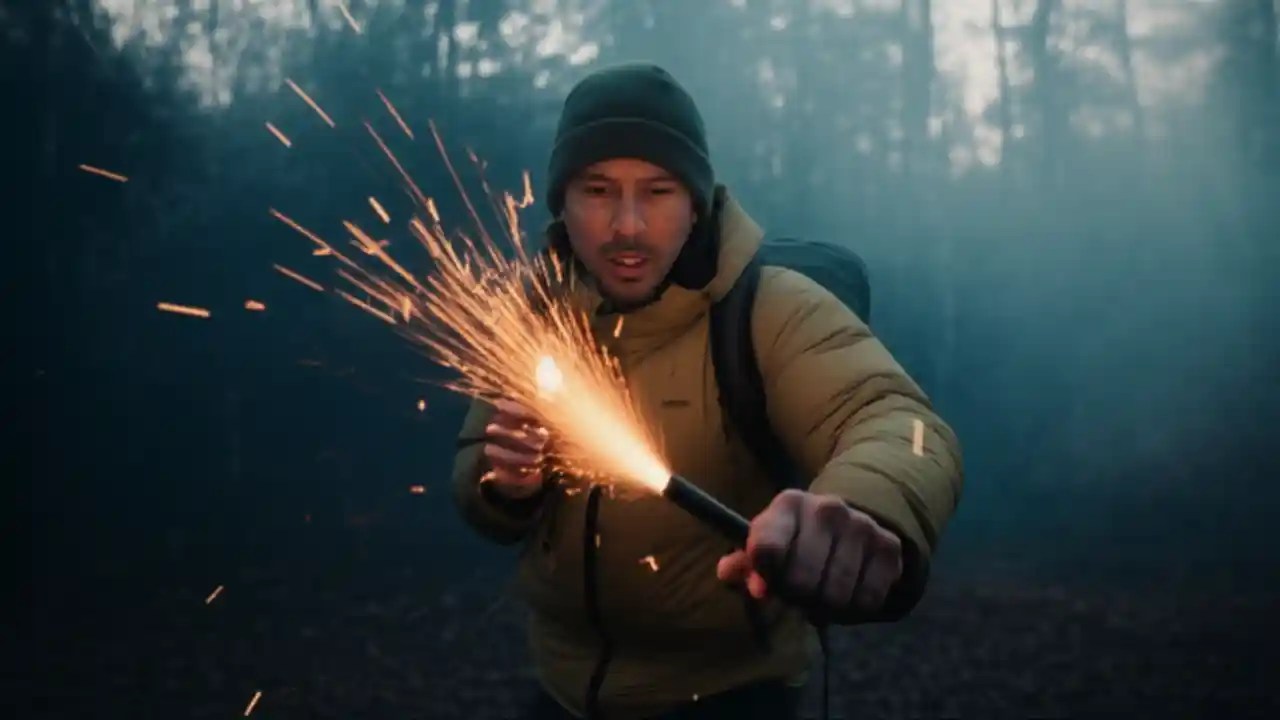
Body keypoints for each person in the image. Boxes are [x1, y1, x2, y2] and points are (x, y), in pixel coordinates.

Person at [451, 62, 964, 720]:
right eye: (598, 189)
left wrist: (864, 509)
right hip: (561, 690)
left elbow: (900, 424)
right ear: (562, 203)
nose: (628, 224)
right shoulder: (534, 315)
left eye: (658, 191)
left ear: (696, 204)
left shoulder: (766, 307)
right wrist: (505, 488)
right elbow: (474, 473)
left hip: (731, 697)